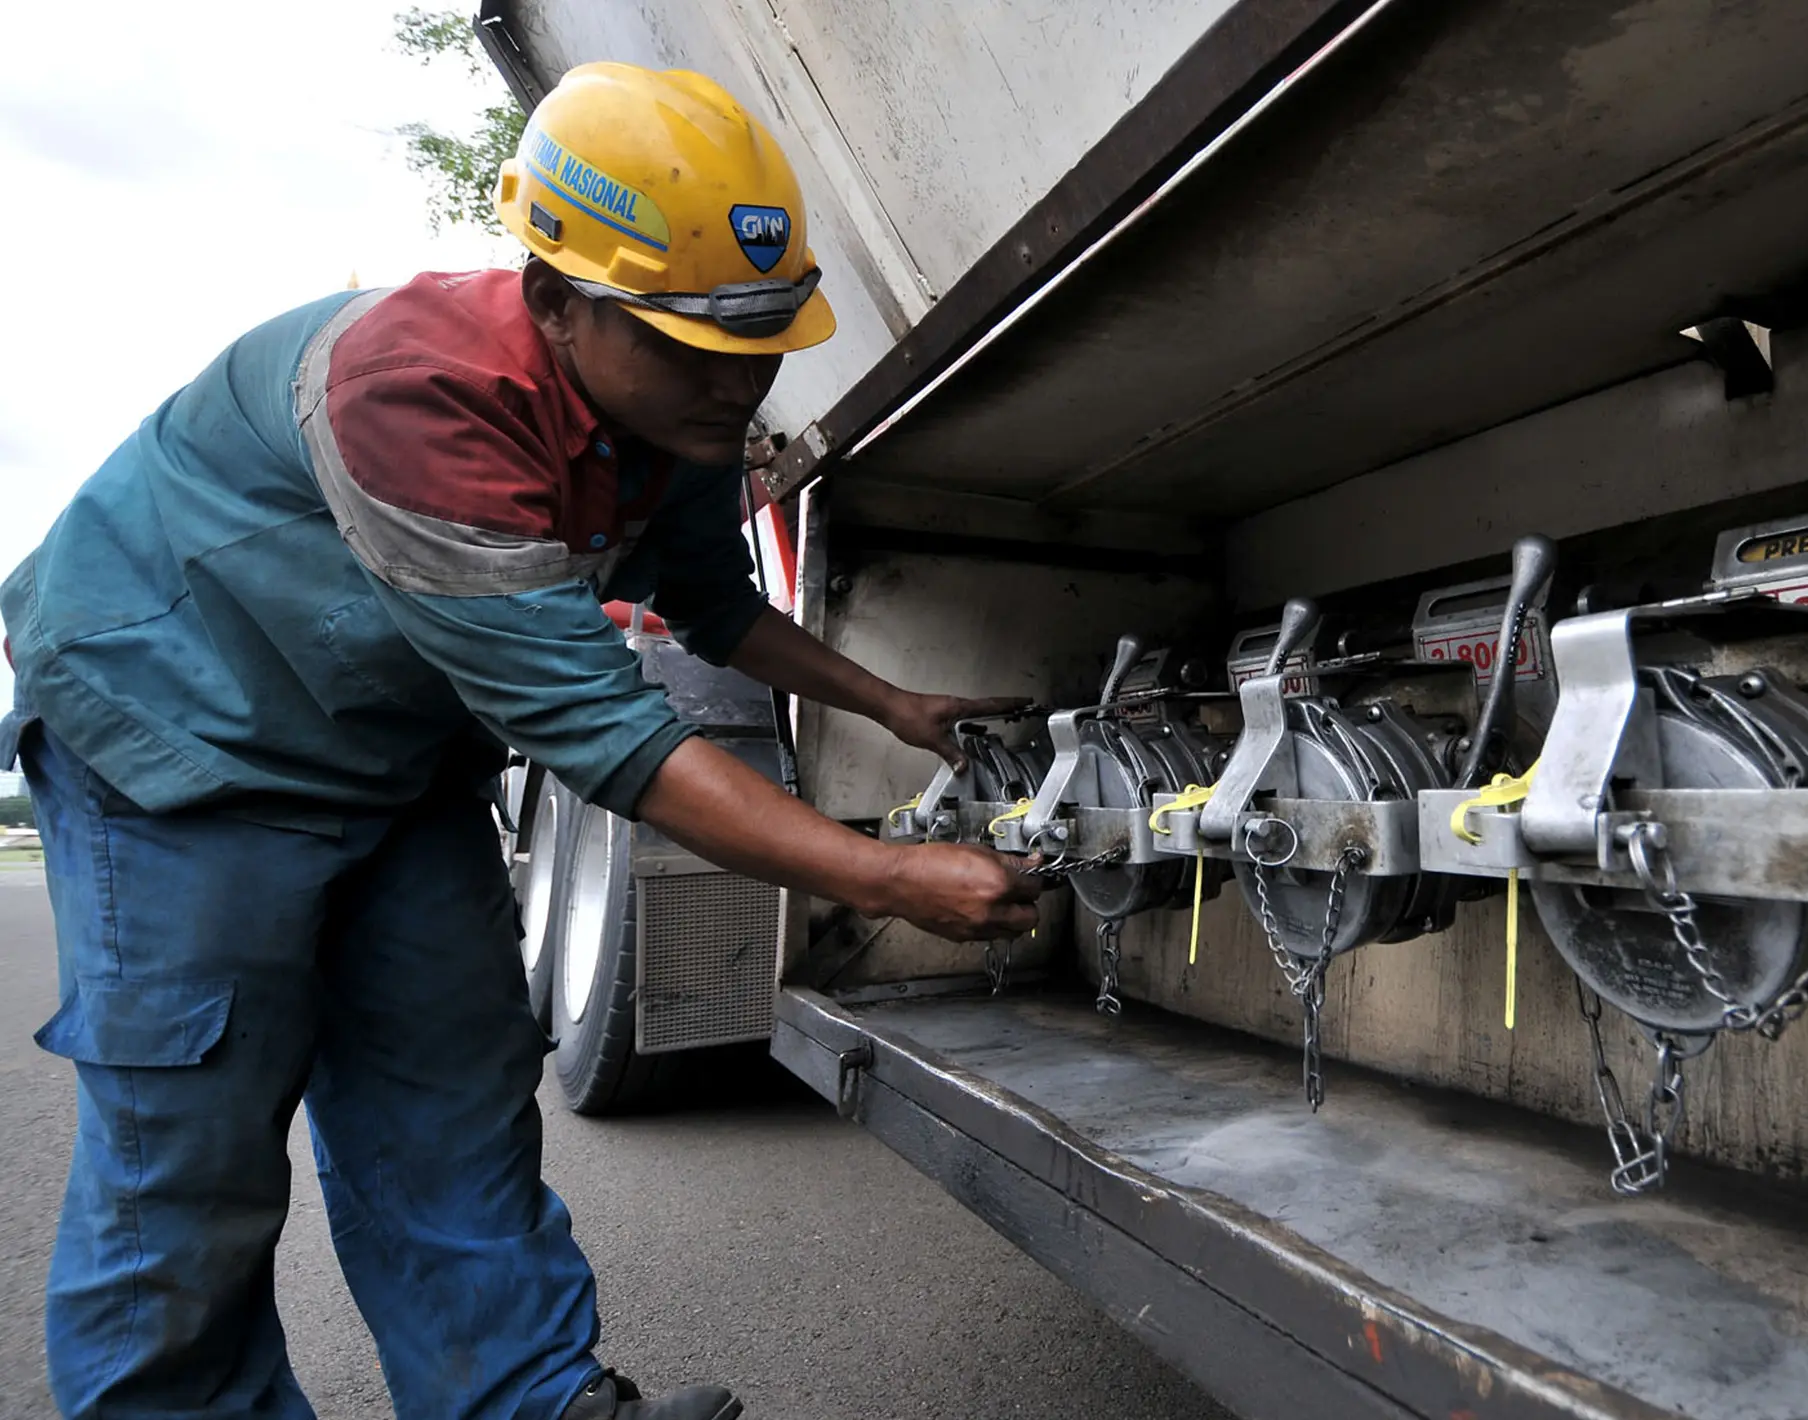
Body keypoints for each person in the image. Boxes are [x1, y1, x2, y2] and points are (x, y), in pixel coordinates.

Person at [0, 62, 1040, 1420]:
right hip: (184, 746)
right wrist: (880, 876)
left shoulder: (674, 412)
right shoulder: (412, 390)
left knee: (454, 1083)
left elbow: (710, 604)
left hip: (392, 756)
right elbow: (607, 734)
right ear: (555, 301)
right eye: (696, 345)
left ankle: (525, 1404)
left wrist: (888, 705)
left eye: (764, 340)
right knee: (189, 1145)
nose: (741, 382)